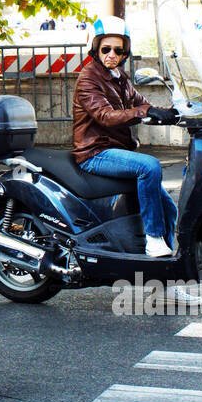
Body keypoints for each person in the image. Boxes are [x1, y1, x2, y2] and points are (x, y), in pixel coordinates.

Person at [71, 16, 180, 257]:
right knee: (149, 166)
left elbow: (141, 103)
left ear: (124, 53)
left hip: (116, 150)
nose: (111, 54)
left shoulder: (119, 77)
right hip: (95, 152)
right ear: (96, 48)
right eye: (106, 49)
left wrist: (175, 113)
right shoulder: (89, 78)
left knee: (169, 209)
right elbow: (105, 116)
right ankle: (153, 239)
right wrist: (144, 112)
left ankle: (166, 276)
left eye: (118, 50)